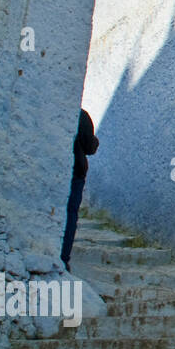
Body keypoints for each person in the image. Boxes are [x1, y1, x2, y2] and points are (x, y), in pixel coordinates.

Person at [61, 109, 99, 272]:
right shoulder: (81, 116)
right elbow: (90, 147)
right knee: (70, 213)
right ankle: (63, 258)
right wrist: (95, 141)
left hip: (60, 170)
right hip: (76, 172)